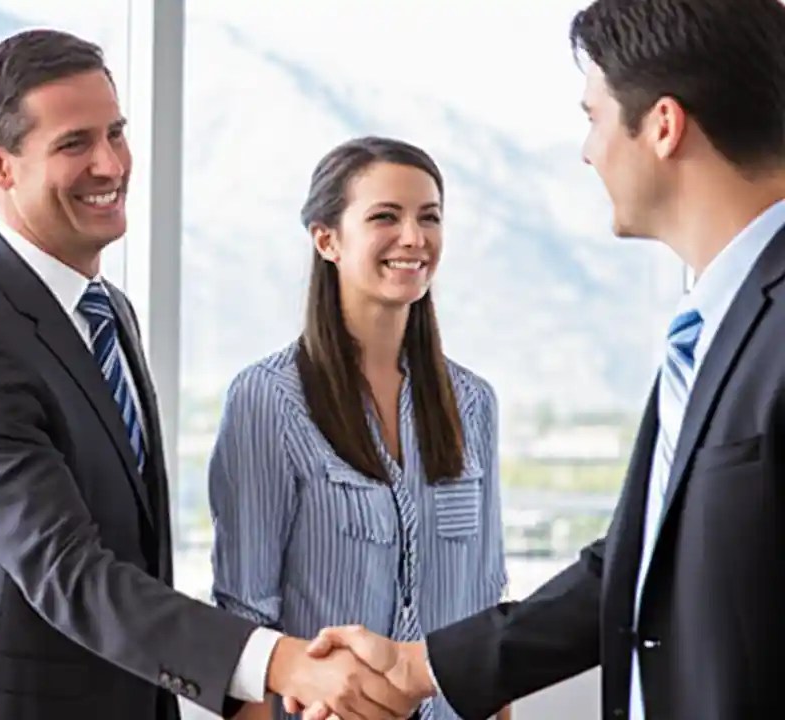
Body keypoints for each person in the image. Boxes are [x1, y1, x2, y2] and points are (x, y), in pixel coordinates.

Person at [0, 28, 419, 720]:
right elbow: (69, 573)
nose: (110, 164)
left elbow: (131, 554)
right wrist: (278, 664)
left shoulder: (109, 313)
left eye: (116, 132)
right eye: (74, 143)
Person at [293, 1, 785, 719]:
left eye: (593, 115)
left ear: (663, 126)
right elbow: (640, 556)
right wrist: (416, 665)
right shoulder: (712, 323)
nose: (587, 151)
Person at [208, 137, 510, 720]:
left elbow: (485, 615)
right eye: (385, 217)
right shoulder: (267, 400)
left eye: (429, 218)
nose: (413, 238)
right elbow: (245, 621)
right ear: (328, 240)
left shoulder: (474, 404)